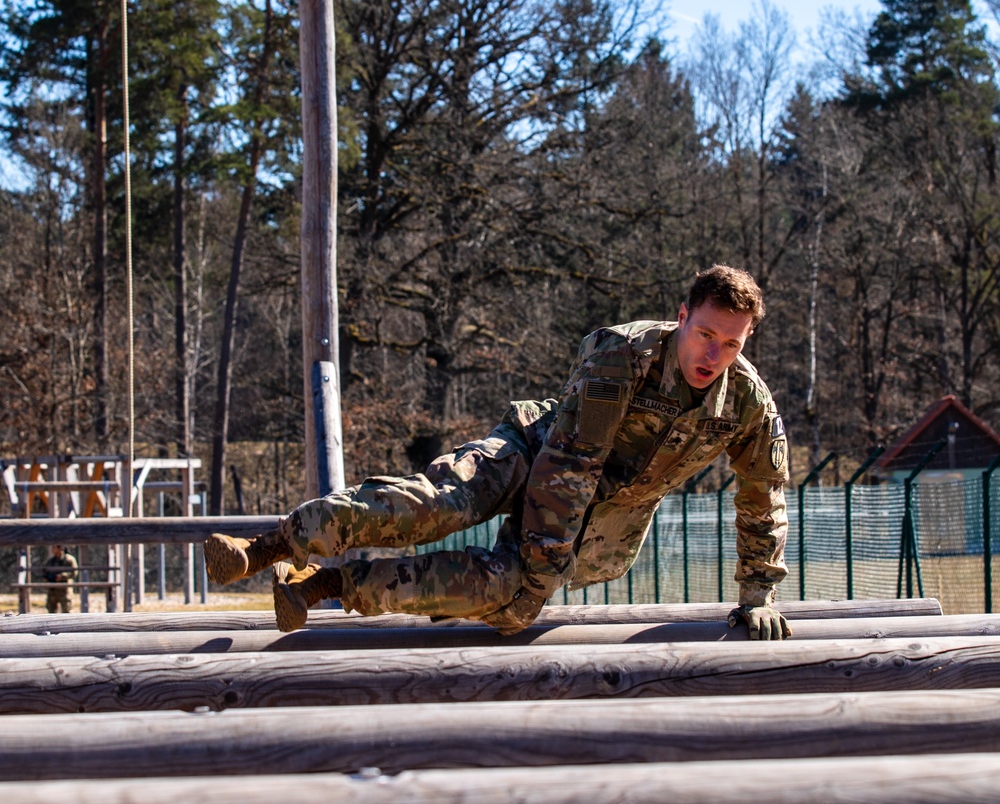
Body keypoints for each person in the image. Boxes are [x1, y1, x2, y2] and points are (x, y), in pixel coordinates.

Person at [205, 264, 791, 638]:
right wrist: (542, 571)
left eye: (731, 344)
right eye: (705, 334)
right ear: (682, 318)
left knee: (504, 601)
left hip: (604, 518)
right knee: (438, 506)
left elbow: (763, 496)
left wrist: (757, 595)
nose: (713, 355)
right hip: (536, 453)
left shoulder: (749, 404)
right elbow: (570, 464)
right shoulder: (624, 356)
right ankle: (266, 547)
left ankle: (324, 585)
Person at [43, 543, 77, 614]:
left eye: (54, 547)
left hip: (64, 589)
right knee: (51, 612)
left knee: (67, 611)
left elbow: (74, 572)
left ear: (60, 548)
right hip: (52, 589)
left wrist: (62, 576)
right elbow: (45, 571)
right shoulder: (51, 561)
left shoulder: (69, 560)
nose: (53, 549)